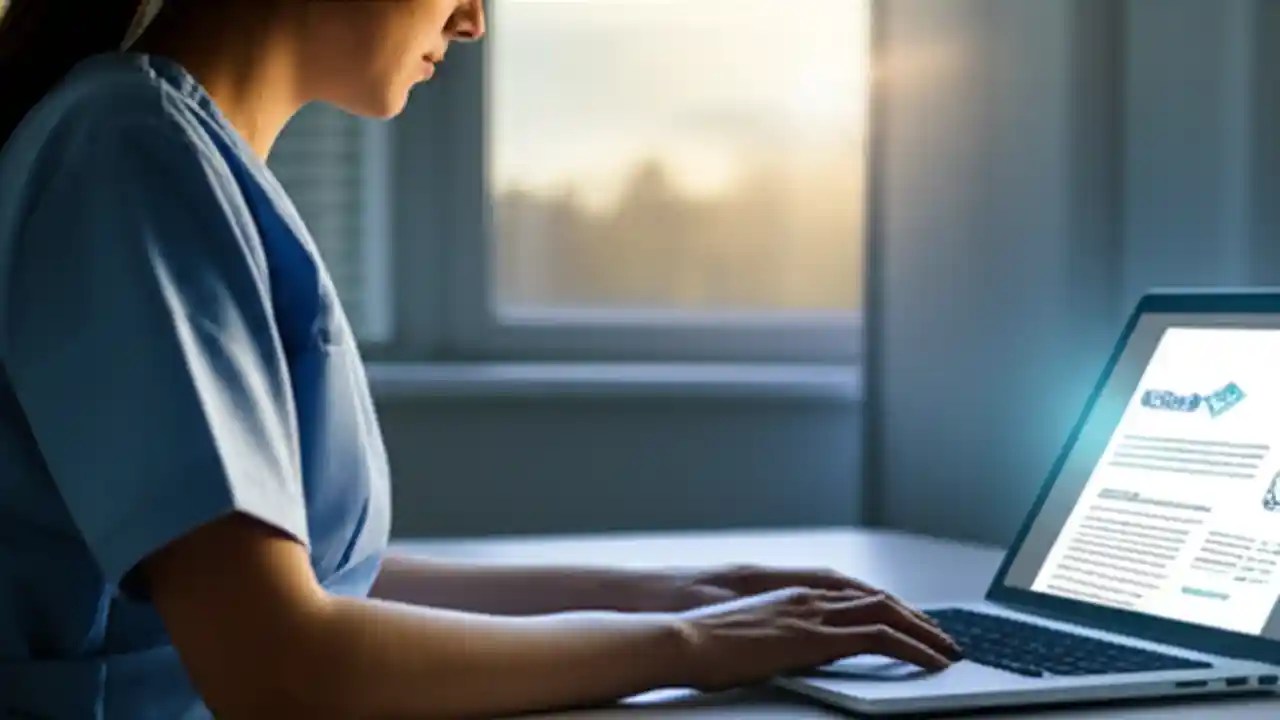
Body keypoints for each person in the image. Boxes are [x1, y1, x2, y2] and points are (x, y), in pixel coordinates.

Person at [0, 1, 962, 717]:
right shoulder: (128, 149)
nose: (473, 21)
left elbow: (321, 583)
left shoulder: (175, 149)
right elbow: (278, 663)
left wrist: (666, 593)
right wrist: (688, 645)